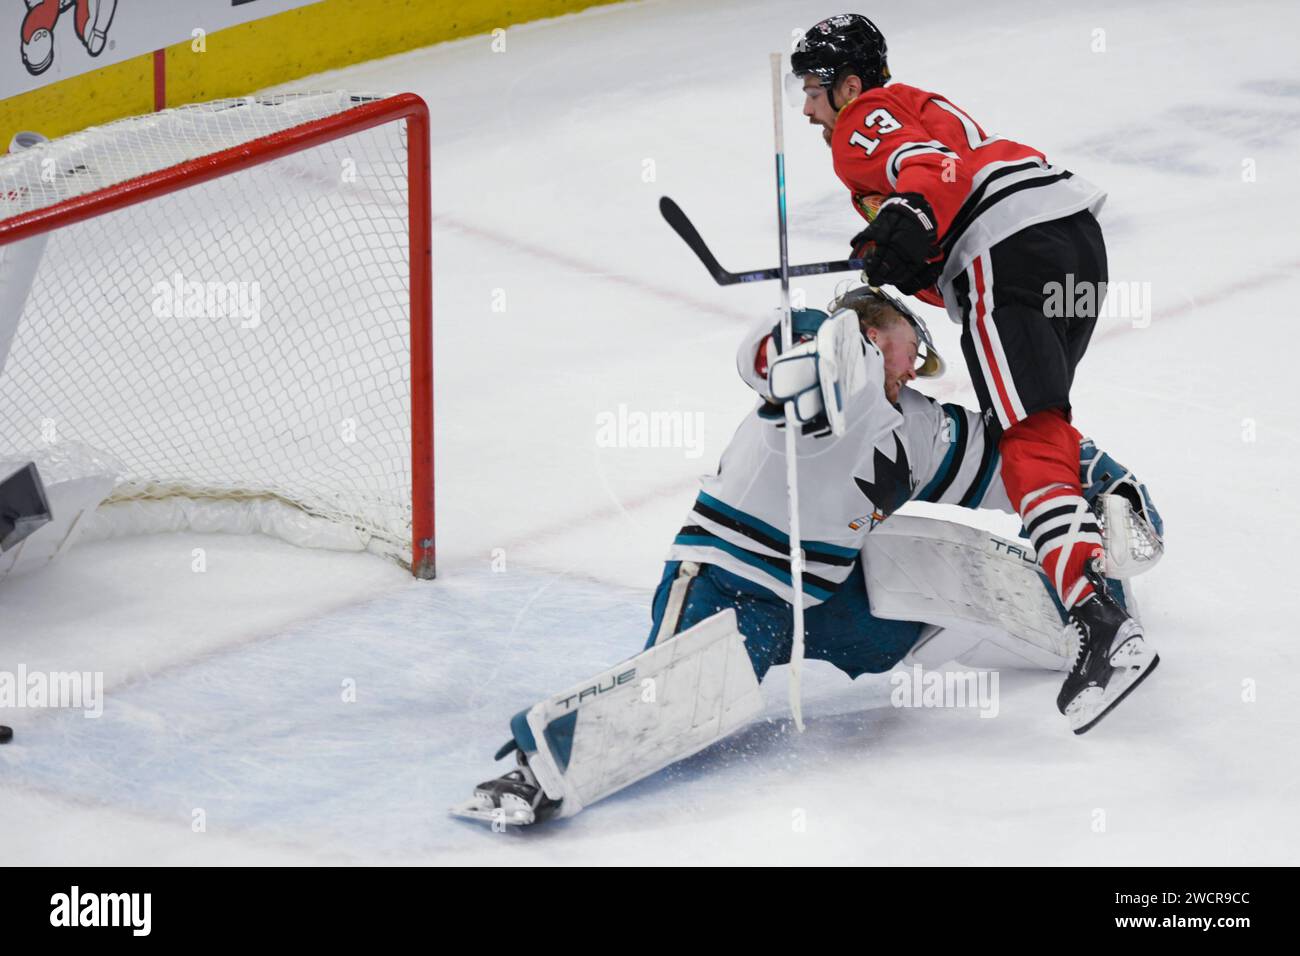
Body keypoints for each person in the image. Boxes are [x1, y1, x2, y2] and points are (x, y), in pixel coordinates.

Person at [453, 287, 1163, 826]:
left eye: (918, 355)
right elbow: (764, 354)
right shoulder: (814, 373)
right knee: (678, 698)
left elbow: (1010, 461)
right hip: (730, 581)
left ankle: (1087, 603)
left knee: (887, 634)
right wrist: (806, 352)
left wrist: (1104, 481)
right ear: (865, 331)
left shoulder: (916, 427)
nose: (914, 363)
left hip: (823, 595)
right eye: (904, 343)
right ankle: (533, 773)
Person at [790, 13, 1158, 732]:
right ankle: (1104, 526)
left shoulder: (865, 118)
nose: (808, 108)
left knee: (1026, 438)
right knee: (1036, 424)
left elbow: (930, 169)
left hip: (1006, 248)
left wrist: (913, 215)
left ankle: (1098, 620)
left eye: (813, 90)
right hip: (1074, 247)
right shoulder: (912, 106)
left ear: (850, 85)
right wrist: (897, 246)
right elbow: (937, 174)